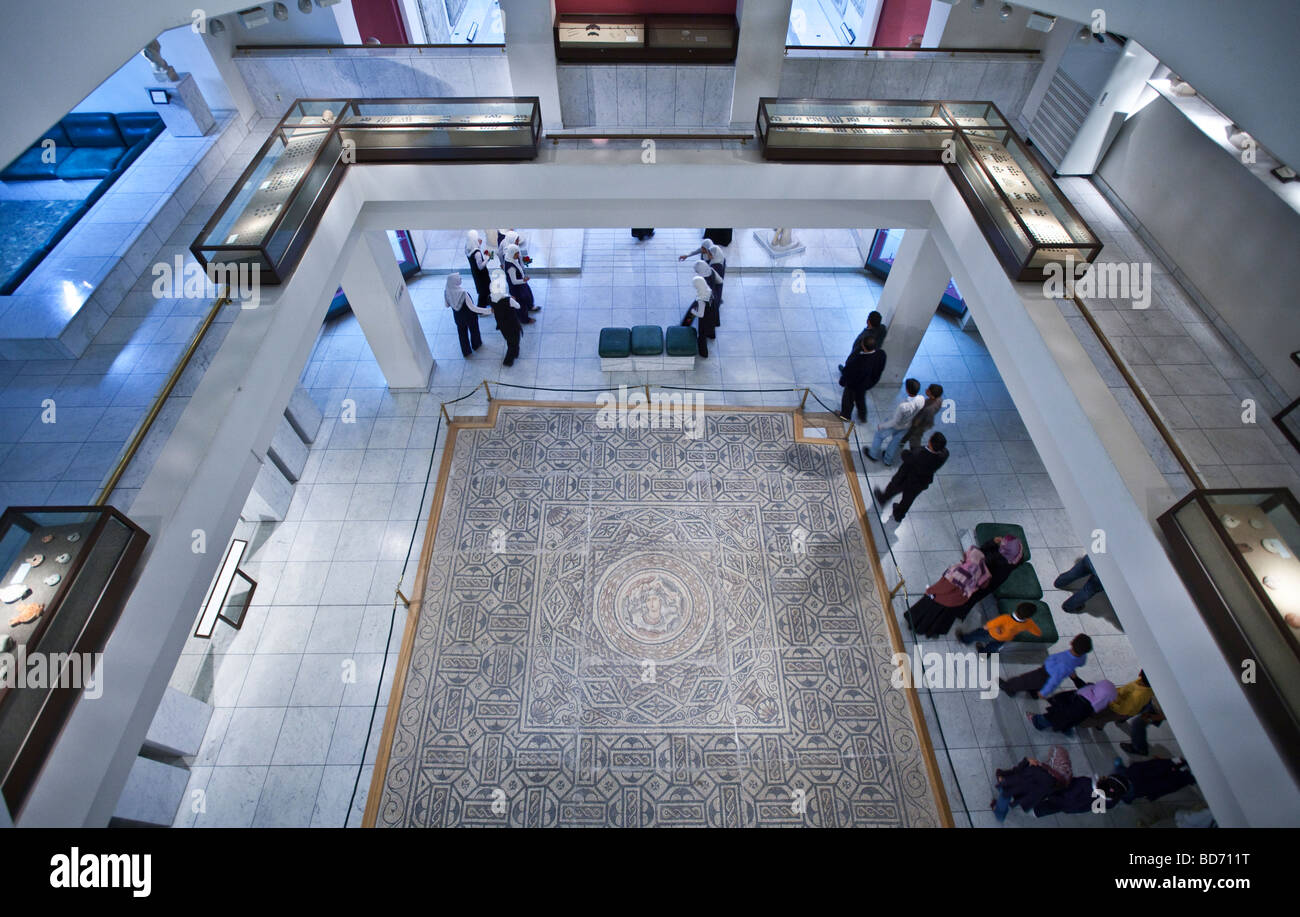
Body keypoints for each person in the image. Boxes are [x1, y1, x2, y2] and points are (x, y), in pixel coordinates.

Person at [904, 535, 1024, 637]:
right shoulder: (1012, 558)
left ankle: (917, 625)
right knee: (945, 616)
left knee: (931, 611)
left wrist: (930, 590)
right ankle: (933, 629)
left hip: (947, 597)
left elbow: (944, 587)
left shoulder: (964, 573)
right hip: (966, 595)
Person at [904, 543, 990, 638]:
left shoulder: (963, 571)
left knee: (928, 610)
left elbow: (946, 587)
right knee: (941, 618)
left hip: (943, 598)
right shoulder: (980, 569)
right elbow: (983, 584)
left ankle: (917, 626)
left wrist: (931, 590)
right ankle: (931, 631)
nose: (965, 554)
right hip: (958, 600)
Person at [873, 431, 947, 523]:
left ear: (930, 443)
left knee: (892, 487)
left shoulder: (918, 454)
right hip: (920, 483)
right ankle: (899, 515)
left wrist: (908, 451)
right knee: (908, 500)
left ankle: (883, 498)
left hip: (905, 477)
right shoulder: (944, 454)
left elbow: (905, 455)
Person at [990, 745, 1072, 822]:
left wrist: (1026, 761)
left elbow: (1019, 775)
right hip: (1029, 795)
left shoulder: (1039, 772)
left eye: (1052, 757)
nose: (1049, 757)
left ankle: (999, 814)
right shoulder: (1057, 781)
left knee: (1004, 795)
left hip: (1017, 787)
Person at [999, 633, 1092, 698]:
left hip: (1045, 674)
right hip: (1048, 673)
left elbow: (1055, 681)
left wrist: (1044, 692)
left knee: (1024, 680)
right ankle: (1034, 692)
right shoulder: (1082, 657)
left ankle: (1008, 687)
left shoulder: (1064, 665)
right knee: (1036, 684)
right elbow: (1081, 664)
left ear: (1071, 643)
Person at [864, 378, 924, 466]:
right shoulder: (921, 399)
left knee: (879, 436)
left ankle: (873, 454)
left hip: (896, 426)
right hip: (907, 425)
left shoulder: (903, 406)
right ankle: (888, 460)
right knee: (895, 442)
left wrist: (882, 425)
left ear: (907, 390)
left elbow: (895, 422)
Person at [1031, 677, 1117, 734]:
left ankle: (1038, 722)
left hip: (1062, 713)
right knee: (1062, 721)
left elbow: (1064, 712)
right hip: (1070, 717)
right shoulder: (1093, 704)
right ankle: (1062, 728)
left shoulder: (1088, 691)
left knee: (1049, 719)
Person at [957, 600, 1042, 653]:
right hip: (1006, 638)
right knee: (993, 647)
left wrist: (986, 627)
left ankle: (965, 639)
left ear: (1017, 608)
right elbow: (1037, 632)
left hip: (991, 634)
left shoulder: (1005, 618)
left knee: (976, 635)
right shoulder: (1029, 623)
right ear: (1028, 616)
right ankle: (984, 654)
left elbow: (989, 625)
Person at [838, 336, 886, 423]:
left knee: (848, 399)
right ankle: (862, 416)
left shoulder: (858, 361)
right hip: (867, 383)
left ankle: (845, 416)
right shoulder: (881, 354)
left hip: (854, 385)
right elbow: (880, 369)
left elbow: (848, 372)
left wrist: (842, 381)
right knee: (860, 399)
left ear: (863, 347)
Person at [444, 272, 491, 357]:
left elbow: (447, 305)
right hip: (470, 317)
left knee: (462, 334)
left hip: (458, 318)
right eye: (458, 278)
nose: (460, 279)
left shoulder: (446, 291)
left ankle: (466, 351)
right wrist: (488, 310)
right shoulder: (463, 293)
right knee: (474, 331)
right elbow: (473, 308)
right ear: (455, 281)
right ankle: (476, 345)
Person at [487, 270, 523, 366]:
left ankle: (515, 353)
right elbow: (518, 306)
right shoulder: (508, 300)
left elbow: (493, 308)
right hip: (512, 323)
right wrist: (512, 299)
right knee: (514, 340)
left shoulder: (490, 298)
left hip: (501, 323)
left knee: (509, 340)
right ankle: (509, 359)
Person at [904, 383, 944, 453]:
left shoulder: (929, 409)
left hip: (920, 425)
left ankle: (915, 453)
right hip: (925, 422)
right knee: (909, 433)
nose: (926, 390)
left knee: (915, 438)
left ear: (933, 396)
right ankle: (903, 440)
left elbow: (918, 421)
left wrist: (913, 423)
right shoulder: (939, 400)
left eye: (928, 391)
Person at [681, 275, 712, 358]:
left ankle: (703, 353)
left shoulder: (701, 299)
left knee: (702, 335)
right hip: (710, 314)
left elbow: (700, 314)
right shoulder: (708, 289)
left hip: (704, 318)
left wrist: (693, 311)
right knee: (706, 332)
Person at [465, 230, 494, 318]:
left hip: (475, 274)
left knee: (484, 289)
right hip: (482, 275)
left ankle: (488, 302)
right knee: (484, 291)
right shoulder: (477, 253)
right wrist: (488, 258)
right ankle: (480, 310)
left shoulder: (467, 247)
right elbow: (480, 266)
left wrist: (478, 244)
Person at [693, 260, 722, 341]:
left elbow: (700, 314)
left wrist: (693, 311)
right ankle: (712, 335)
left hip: (706, 305)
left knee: (703, 327)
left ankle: (703, 351)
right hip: (714, 300)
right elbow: (720, 281)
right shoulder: (712, 271)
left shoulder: (701, 282)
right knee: (712, 321)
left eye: (697, 271)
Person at [706, 242, 726, 327]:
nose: (708, 256)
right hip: (718, 287)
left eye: (710, 254)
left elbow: (713, 279)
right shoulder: (721, 260)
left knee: (713, 307)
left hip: (715, 288)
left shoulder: (715, 266)